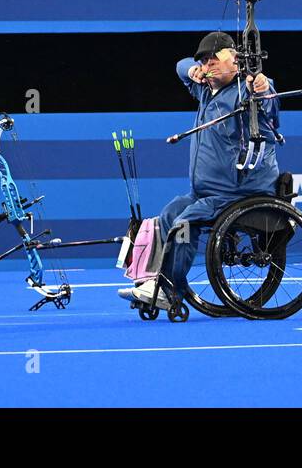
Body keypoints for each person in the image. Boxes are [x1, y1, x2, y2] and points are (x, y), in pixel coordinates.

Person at [120, 31, 280, 309]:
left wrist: (263, 89)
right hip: (207, 192)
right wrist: (192, 69)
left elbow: (268, 104)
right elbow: (180, 67)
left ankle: (167, 289)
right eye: (204, 62)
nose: (209, 66)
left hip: (239, 190)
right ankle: (166, 287)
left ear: (237, 61)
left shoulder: (247, 90)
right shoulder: (206, 91)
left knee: (185, 223)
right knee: (171, 213)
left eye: (214, 59)